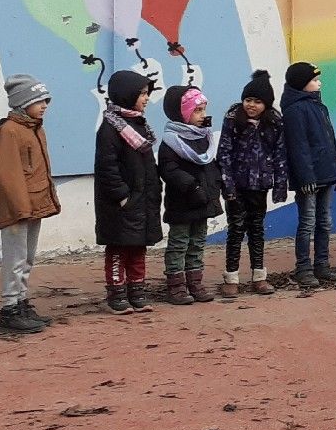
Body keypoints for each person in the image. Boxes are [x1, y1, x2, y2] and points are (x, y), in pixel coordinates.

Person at [0, 75, 60, 336]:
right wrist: (21, 208)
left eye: (45, 100)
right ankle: (10, 308)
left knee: (27, 257)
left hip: (33, 204)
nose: (44, 105)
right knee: (15, 259)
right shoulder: (10, 131)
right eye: (38, 101)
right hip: (17, 209)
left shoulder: (34, 127)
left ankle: (21, 301)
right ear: (21, 103)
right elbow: (9, 175)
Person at [93, 70, 162, 316]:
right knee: (118, 249)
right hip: (121, 203)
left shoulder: (139, 125)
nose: (146, 99)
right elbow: (107, 166)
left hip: (141, 200)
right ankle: (117, 293)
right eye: (142, 94)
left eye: (147, 94)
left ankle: (137, 292)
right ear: (127, 94)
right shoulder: (110, 129)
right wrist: (122, 196)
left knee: (137, 248)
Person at [216, 70, 287, 297]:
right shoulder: (232, 120)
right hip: (236, 186)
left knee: (257, 229)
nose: (252, 105)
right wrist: (226, 184)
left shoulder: (275, 123)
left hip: (260, 184)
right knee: (236, 229)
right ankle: (231, 276)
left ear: (266, 104)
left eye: (257, 101)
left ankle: (259, 276)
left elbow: (280, 155)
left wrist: (279, 184)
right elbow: (224, 153)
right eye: (248, 100)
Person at [281, 62, 336, 292]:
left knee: (325, 221)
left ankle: (322, 265)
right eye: (315, 79)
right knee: (307, 222)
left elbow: (329, 142)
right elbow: (298, 147)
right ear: (302, 83)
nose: (320, 82)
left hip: (326, 173)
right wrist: (306, 177)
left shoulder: (319, 106)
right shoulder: (295, 110)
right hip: (309, 178)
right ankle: (303, 268)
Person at [157, 85, 222, 305]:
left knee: (197, 243)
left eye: (203, 110)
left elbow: (211, 167)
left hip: (203, 201)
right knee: (179, 243)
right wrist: (192, 186)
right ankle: (176, 286)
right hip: (182, 202)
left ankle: (195, 282)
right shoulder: (172, 140)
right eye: (197, 111)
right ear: (182, 113)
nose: (203, 115)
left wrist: (215, 187)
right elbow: (169, 169)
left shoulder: (205, 138)